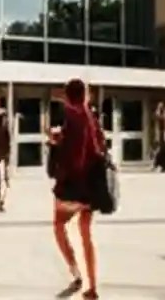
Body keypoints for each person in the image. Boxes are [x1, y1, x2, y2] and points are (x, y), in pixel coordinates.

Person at [48, 78, 105, 299]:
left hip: (73, 186)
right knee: (85, 234)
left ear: (67, 97)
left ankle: (75, 270)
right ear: (85, 95)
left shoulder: (73, 118)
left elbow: (72, 155)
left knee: (58, 224)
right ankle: (92, 286)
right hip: (91, 188)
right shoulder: (91, 116)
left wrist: (56, 142)